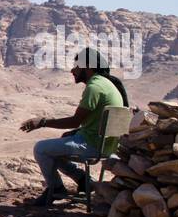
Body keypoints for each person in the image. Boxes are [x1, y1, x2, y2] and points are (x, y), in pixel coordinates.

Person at [20, 47, 128, 206]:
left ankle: (56, 189)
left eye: (77, 66)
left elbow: (74, 121)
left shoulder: (94, 87)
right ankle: (84, 180)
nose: (72, 70)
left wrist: (42, 122)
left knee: (41, 149)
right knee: (61, 143)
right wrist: (75, 132)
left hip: (92, 145)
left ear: (88, 67)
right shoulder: (107, 84)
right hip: (105, 145)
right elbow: (90, 122)